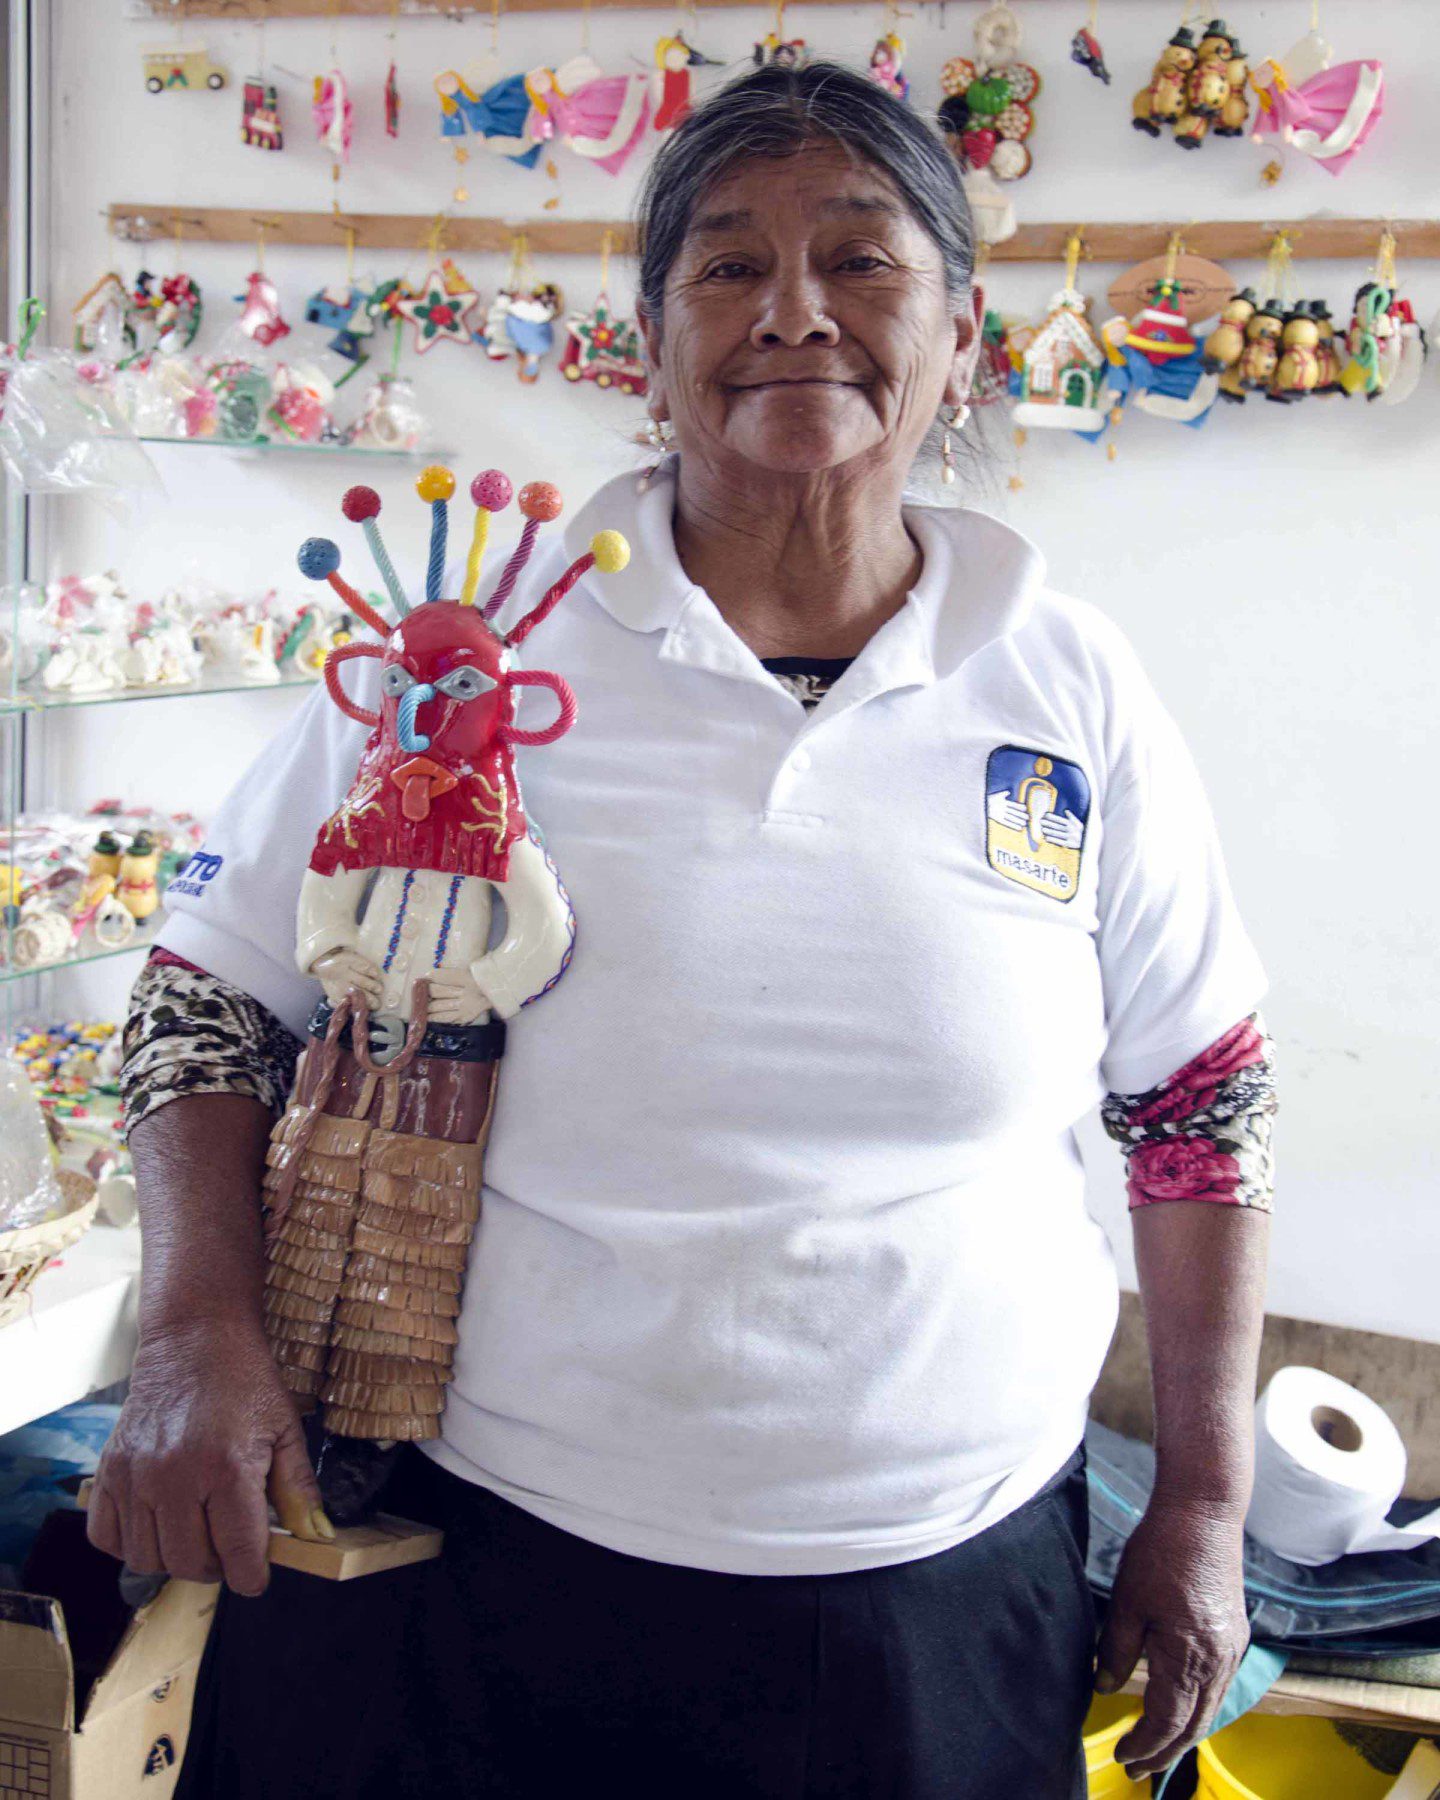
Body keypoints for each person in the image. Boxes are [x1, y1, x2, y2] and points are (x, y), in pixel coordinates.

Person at [91, 62, 1277, 1800]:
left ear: (961, 343)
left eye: (863, 261)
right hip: (494, 1572)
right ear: (646, 348)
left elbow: (1203, 1102)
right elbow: (205, 999)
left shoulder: (1068, 682)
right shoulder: (475, 657)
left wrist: (1204, 1501)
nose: (795, 312)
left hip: (944, 1600)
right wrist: (197, 1328)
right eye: (726, 267)